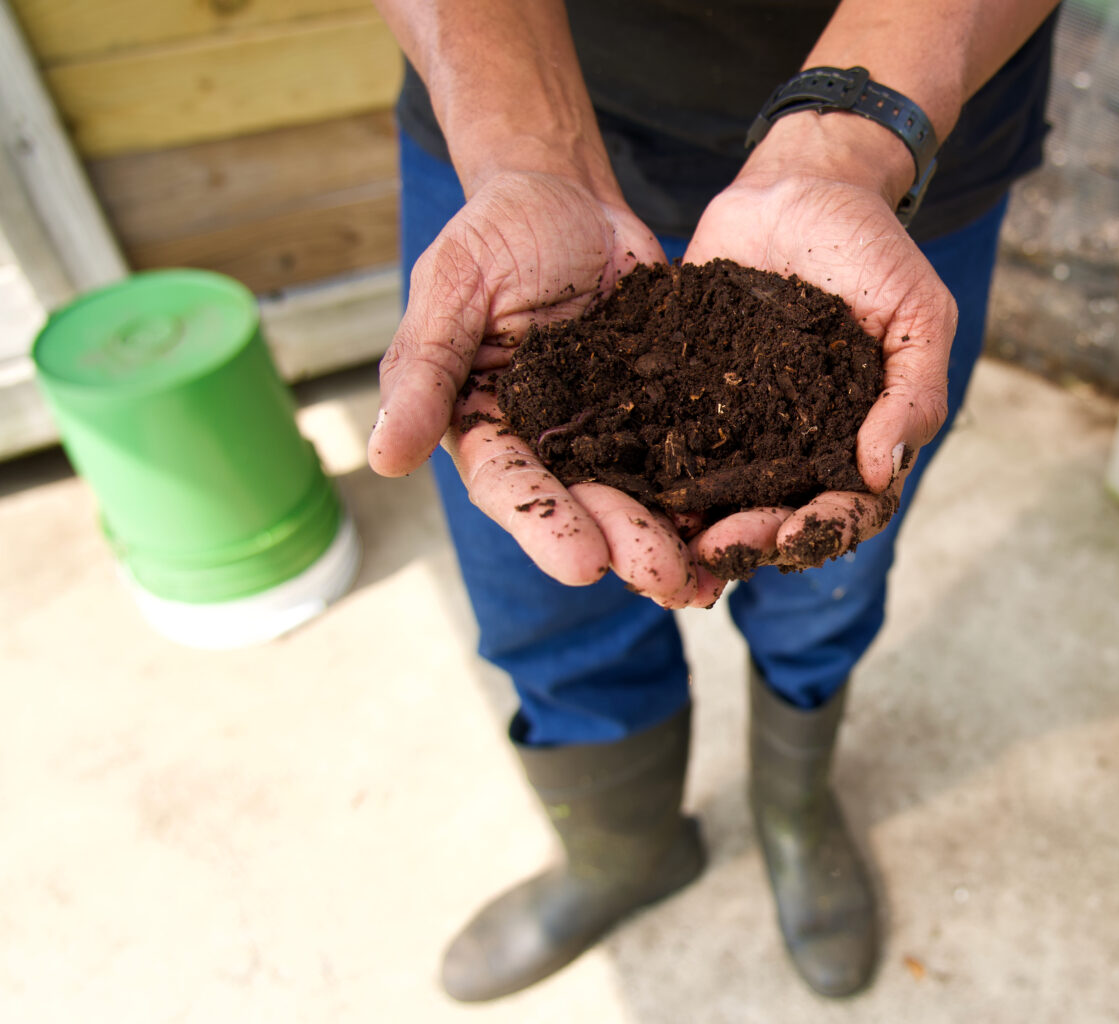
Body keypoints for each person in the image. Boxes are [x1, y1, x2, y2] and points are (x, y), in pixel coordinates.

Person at [368, 0, 1060, 1002]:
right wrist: (524, 152)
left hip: (905, 127)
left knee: (830, 554)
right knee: (539, 584)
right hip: (503, 104)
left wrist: (846, 141)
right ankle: (621, 851)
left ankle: (795, 808)